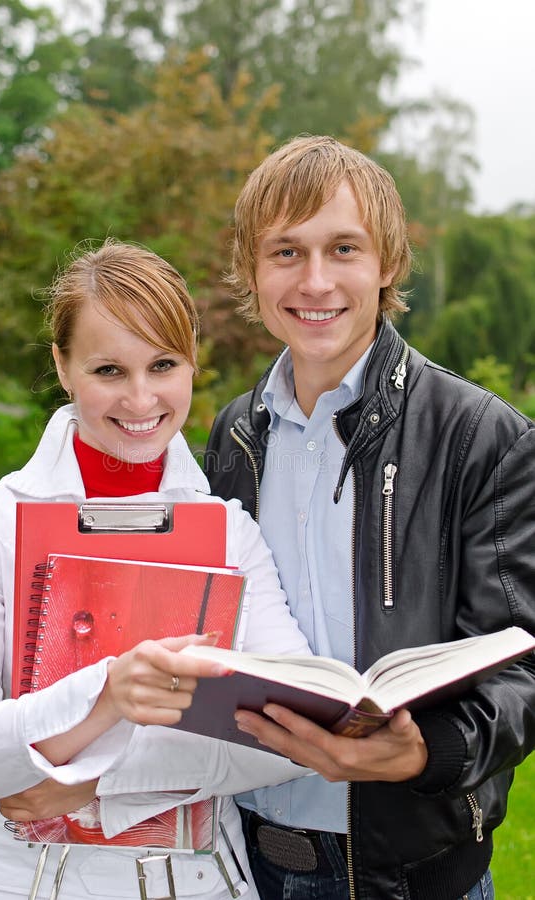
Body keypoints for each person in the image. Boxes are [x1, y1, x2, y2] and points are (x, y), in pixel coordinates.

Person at [0, 239, 314, 900]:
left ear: (192, 362)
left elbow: (287, 734)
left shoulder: (230, 531)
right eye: (108, 370)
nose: (140, 400)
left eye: (163, 364)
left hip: (204, 883)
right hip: (30, 885)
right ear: (63, 365)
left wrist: (89, 776)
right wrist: (107, 693)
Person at [204, 135, 535, 900]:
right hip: (243, 856)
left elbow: (522, 665)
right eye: (285, 251)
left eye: (342, 248)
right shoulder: (234, 434)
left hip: (409, 870)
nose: (314, 281)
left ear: (387, 262)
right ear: (252, 271)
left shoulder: (481, 435)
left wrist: (431, 751)